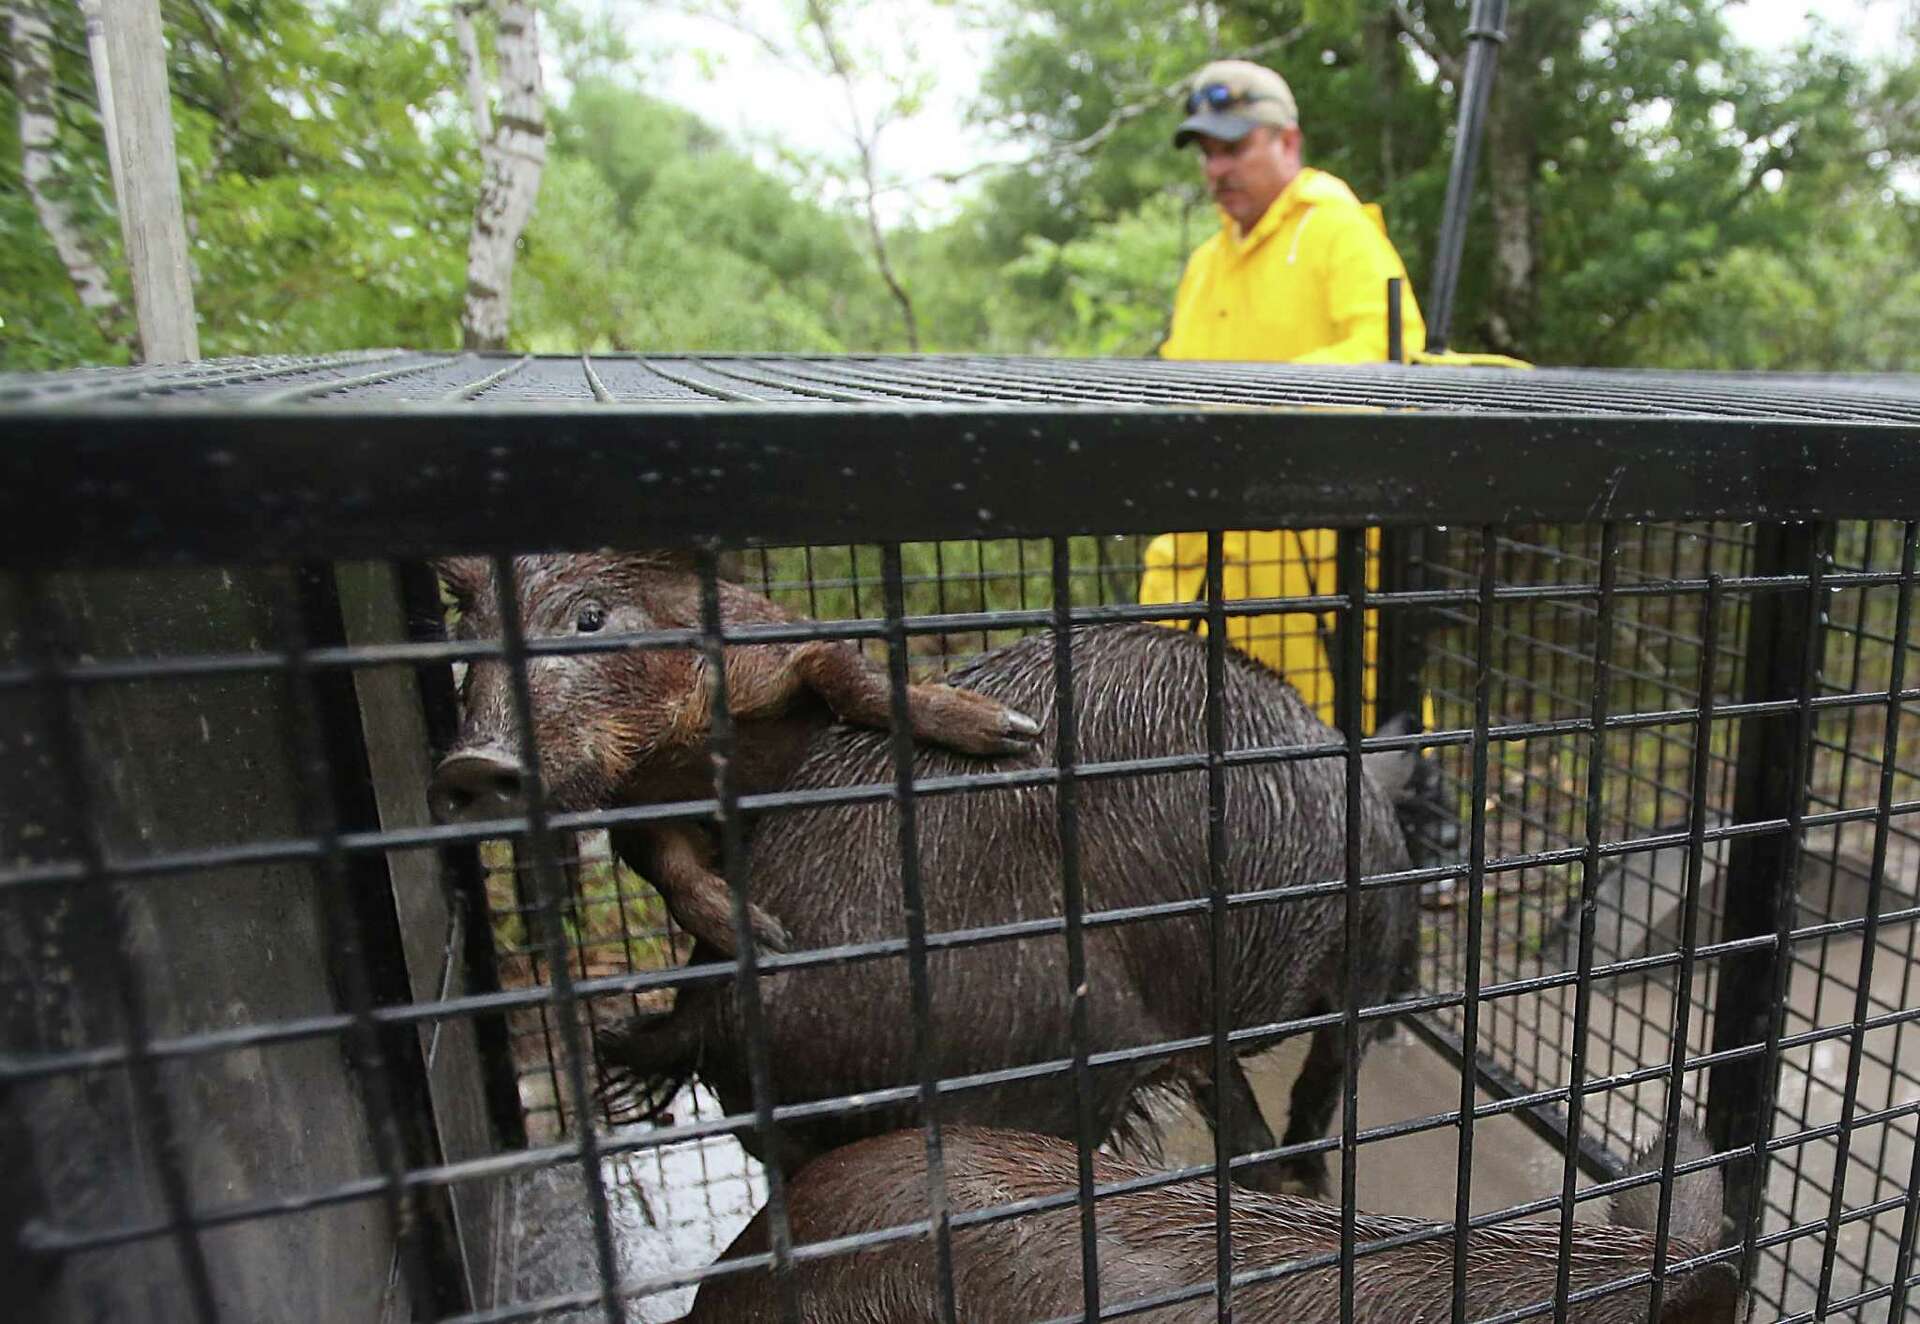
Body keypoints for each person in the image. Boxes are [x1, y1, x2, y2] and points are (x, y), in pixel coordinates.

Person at [1140, 59, 1460, 862]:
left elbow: (1390, 352)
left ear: (1287, 140)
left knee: (1322, 785)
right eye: (1204, 154)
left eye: (1232, 148)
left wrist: (1253, 407)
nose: (1215, 170)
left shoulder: (1335, 226)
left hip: (1312, 580)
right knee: (1209, 777)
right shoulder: (1207, 261)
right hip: (1208, 569)